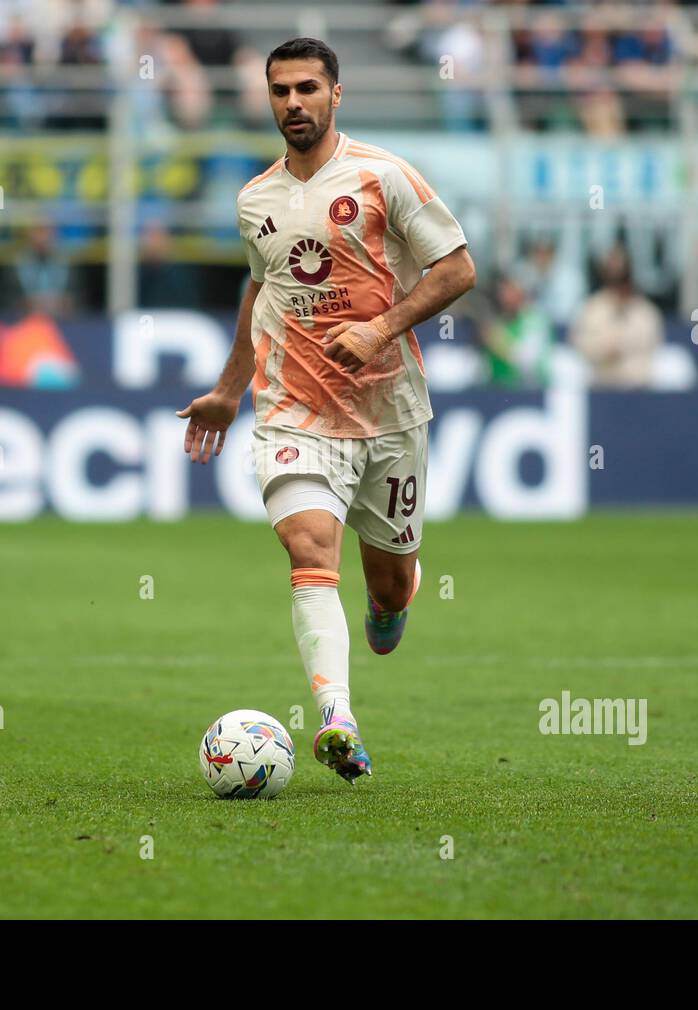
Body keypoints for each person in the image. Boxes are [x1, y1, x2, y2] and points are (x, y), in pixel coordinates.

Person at [176, 37, 475, 784]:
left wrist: (380, 326)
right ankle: (336, 717)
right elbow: (261, 290)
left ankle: (393, 600)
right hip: (293, 413)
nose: (293, 103)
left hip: (389, 413)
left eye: (307, 88)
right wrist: (228, 389)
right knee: (310, 548)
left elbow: (458, 269)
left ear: (336, 94)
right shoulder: (254, 199)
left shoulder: (384, 177)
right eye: (280, 91)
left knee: (389, 585)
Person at [569, 246, 663, 387]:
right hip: (600, 384)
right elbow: (579, 342)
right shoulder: (592, 308)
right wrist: (603, 349)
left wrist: (623, 347)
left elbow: (653, 344)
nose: (618, 288)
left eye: (622, 280)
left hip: (639, 388)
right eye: (613, 280)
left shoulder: (645, 312)